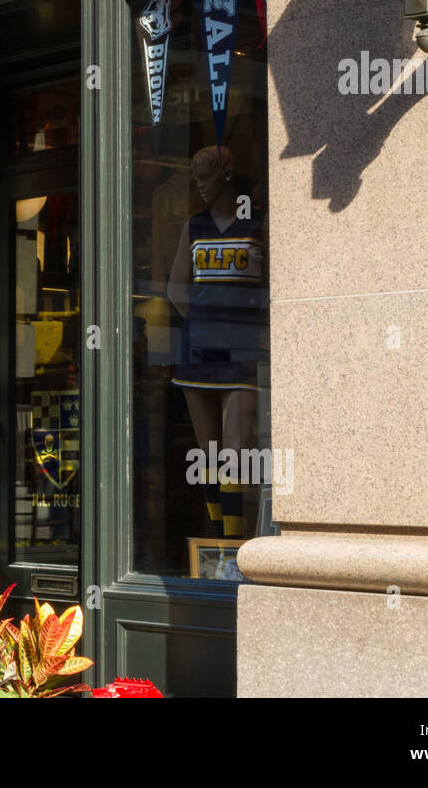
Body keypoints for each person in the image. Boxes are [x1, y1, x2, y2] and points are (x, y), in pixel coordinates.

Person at [167, 145, 267, 581]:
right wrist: (204, 324)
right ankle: (217, 552)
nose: (200, 186)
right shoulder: (194, 226)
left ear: (226, 174)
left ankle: (237, 551)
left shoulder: (257, 223)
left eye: (204, 177)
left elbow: (275, 284)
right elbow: (175, 288)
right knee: (206, 456)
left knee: (235, 454)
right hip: (199, 352)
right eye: (194, 179)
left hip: (245, 352)